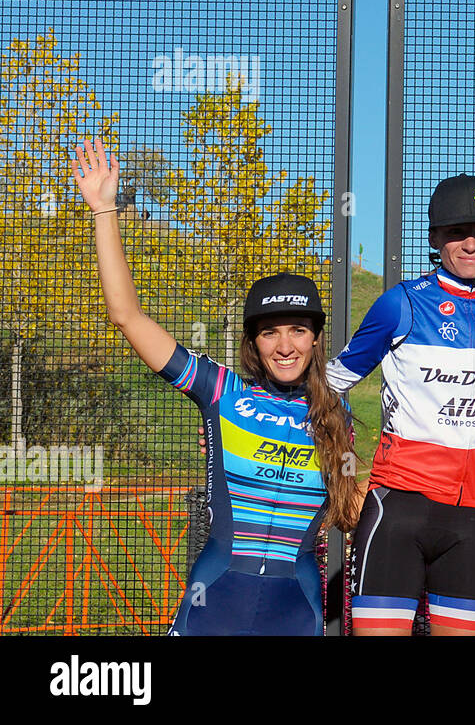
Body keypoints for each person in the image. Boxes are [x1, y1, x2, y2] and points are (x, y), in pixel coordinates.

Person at [72, 137, 360, 635]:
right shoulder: (220, 389)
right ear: (254, 342)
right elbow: (127, 316)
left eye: (298, 330)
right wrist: (104, 210)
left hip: (297, 612)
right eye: (270, 331)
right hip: (214, 604)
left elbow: (354, 507)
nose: (285, 345)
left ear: (316, 339)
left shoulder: (336, 411)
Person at [326, 175, 475, 636]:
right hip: (399, 509)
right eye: (456, 232)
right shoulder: (400, 303)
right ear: (434, 238)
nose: (471, 243)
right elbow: (333, 382)